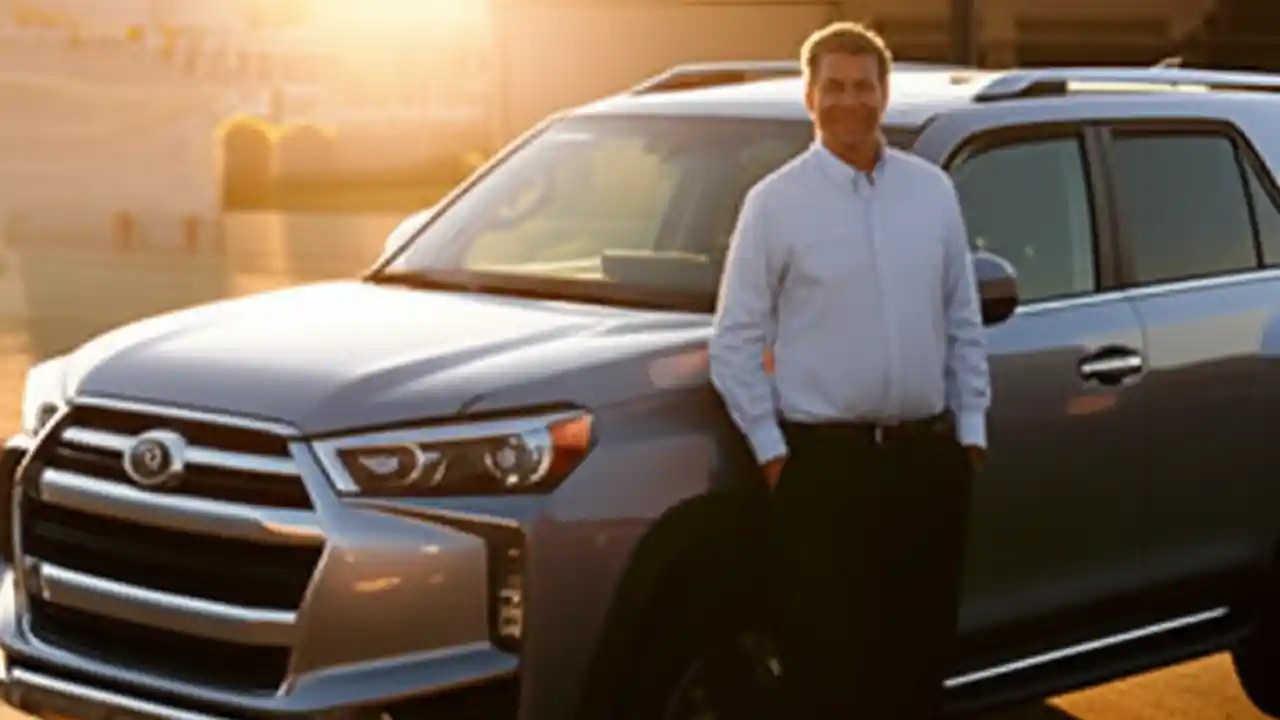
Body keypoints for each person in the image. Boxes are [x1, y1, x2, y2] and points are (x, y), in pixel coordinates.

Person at [708, 20, 991, 719]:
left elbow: (962, 317)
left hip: (926, 465)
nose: (849, 101)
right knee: (829, 669)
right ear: (809, 95)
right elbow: (735, 341)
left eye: (863, 86)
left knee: (918, 662)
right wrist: (776, 458)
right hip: (822, 474)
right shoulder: (774, 204)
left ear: (884, 94)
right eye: (833, 86)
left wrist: (972, 432)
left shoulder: (932, 194)